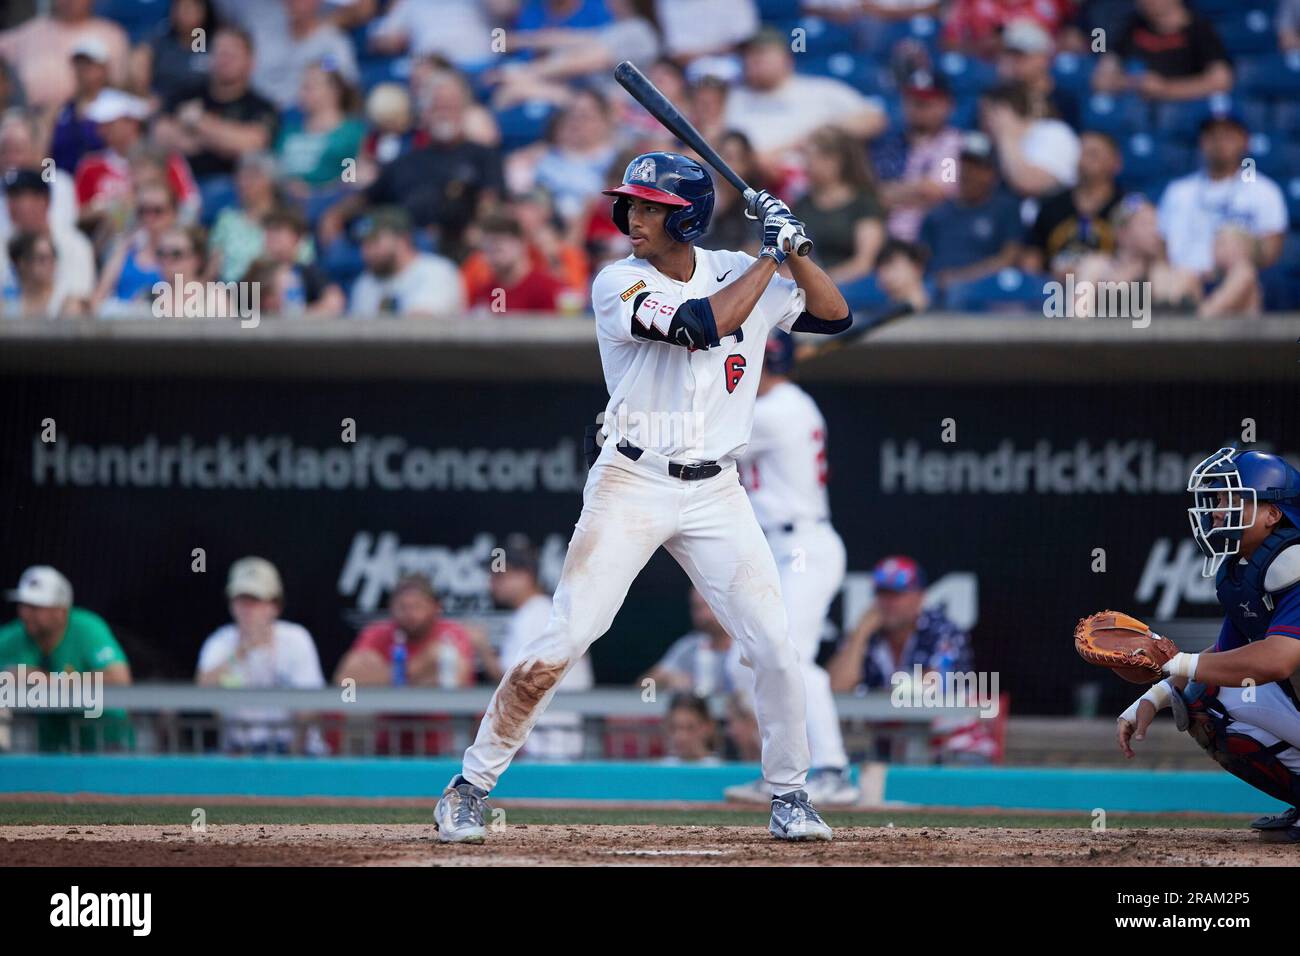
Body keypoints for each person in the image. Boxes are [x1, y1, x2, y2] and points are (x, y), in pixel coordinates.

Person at [433, 150, 852, 844]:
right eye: (630, 203)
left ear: (685, 215)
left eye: (650, 207)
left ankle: (791, 794)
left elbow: (833, 315)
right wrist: (770, 259)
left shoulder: (735, 268)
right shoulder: (617, 280)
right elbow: (699, 325)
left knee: (776, 647)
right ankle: (469, 787)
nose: (632, 215)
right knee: (567, 636)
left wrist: (795, 248)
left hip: (717, 488)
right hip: (632, 479)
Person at [1118, 448, 1300, 842]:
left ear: (1273, 514)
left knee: (1211, 689)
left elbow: (1279, 659)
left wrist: (1175, 662)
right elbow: (1224, 656)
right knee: (1201, 694)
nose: (1217, 511)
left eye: (1233, 500)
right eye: (1218, 500)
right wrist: (1154, 697)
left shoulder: (1294, 564)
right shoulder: (1247, 570)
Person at [725, 331, 860, 806]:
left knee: (794, 658)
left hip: (804, 545)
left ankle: (831, 770)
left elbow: (710, 430)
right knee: (744, 661)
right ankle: (783, 771)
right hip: (774, 548)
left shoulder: (781, 408)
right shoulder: (776, 401)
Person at [195, 557, 326, 753]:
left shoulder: (296, 638)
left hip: (294, 751)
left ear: (274, 606)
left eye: (255, 601)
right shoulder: (221, 641)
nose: (247, 609)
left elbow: (309, 709)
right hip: (239, 753)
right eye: (241, 600)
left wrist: (292, 758)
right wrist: (241, 652)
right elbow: (200, 689)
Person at [0, 566, 132, 752]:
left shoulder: (87, 628)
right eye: (23, 605)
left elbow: (119, 679)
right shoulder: (13, 636)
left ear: (61, 611)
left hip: (105, 744)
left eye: (36, 608)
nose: (25, 614)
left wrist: (48, 681)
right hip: (52, 749)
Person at [485, 535, 593, 760]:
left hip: (545, 737)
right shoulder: (546, 610)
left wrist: (480, 647)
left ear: (524, 576)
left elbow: (511, 679)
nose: (491, 583)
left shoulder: (534, 614)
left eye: (499, 576)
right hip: (560, 733)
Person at [723, 27, 885, 163]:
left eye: (761, 52)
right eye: (747, 55)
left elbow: (874, 119)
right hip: (743, 183)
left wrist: (814, 138)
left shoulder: (818, 90)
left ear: (787, 58)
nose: (753, 59)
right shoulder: (731, 96)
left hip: (805, 181)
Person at [1157, 113, 1288, 277]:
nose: (1219, 142)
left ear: (1245, 141)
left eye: (1228, 136)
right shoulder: (1178, 191)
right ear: (1201, 142)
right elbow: (1160, 248)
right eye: (1211, 136)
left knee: (1242, 275)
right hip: (1180, 281)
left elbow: (1270, 253)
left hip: (1234, 283)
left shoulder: (1264, 191)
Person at [153, 26, 279, 186]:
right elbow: (160, 133)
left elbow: (251, 145)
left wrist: (198, 122)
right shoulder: (187, 94)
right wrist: (221, 141)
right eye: (219, 53)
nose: (224, 60)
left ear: (250, 62)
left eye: (231, 55)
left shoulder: (261, 106)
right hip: (182, 183)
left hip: (235, 188)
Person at [827, 556, 972, 693]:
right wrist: (859, 635)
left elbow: (935, 684)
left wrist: (878, 694)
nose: (888, 603)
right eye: (882, 593)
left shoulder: (942, 630)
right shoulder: (865, 633)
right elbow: (834, 689)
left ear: (919, 597)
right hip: (876, 719)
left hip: (935, 718)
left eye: (896, 594)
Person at [919, 131, 1023, 292]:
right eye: (965, 165)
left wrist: (961, 278)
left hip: (985, 291)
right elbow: (921, 259)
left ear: (992, 173)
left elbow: (1009, 258)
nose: (969, 173)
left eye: (977, 167)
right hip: (936, 289)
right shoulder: (938, 212)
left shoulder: (1006, 208)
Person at [212, 0, 359, 111]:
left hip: (303, 116)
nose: (293, 3)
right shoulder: (264, 33)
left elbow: (341, 82)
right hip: (256, 111)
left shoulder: (332, 43)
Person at [335, 575, 476, 688]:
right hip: (388, 718)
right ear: (391, 607)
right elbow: (345, 680)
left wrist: (383, 677)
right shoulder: (377, 632)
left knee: (446, 656)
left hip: (441, 721)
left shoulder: (451, 632)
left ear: (435, 607)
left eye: (417, 606)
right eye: (403, 606)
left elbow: (458, 681)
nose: (410, 613)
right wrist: (421, 667)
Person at [875, 69, 964, 243]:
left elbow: (937, 191)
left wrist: (887, 193)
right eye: (914, 101)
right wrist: (915, 189)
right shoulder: (889, 143)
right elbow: (867, 195)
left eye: (927, 102)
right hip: (886, 237)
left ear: (947, 104)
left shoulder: (953, 142)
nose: (918, 107)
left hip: (928, 238)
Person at [1022, 131, 1125, 278]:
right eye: (1081, 153)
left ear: (1116, 162)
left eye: (1093, 153)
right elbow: (1032, 258)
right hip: (1055, 290)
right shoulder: (1052, 204)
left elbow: (1138, 258)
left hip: (1112, 293)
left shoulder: (1127, 207)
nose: (1084, 160)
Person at [792, 126, 884, 287]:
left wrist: (819, 282)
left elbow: (863, 263)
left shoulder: (864, 203)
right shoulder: (801, 204)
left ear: (835, 161)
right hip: (807, 286)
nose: (806, 165)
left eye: (813, 158)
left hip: (852, 286)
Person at [0, 0, 130, 113]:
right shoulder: (27, 34)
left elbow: (120, 87)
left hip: (91, 118)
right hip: (30, 119)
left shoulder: (111, 35)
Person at [1092, 0, 1233, 102]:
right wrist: (1134, 83)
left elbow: (1221, 80)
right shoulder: (1132, 25)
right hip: (1136, 110)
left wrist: (1166, 88)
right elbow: (1101, 79)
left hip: (1183, 112)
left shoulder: (1199, 28)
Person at [0, 169, 96, 311]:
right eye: (10, 197)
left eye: (19, 196)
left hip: (62, 328)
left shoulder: (75, 245)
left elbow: (80, 298)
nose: (11, 205)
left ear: (43, 201)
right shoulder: (3, 243)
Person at [348, 207, 465, 318]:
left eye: (374, 241)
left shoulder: (436, 271)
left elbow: (422, 326)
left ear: (403, 239)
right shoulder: (364, 283)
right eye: (363, 244)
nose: (367, 251)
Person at [981, 80, 1080, 198]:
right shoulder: (992, 144)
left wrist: (1007, 133)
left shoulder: (1054, 133)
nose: (983, 122)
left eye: (986, 115)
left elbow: (1030, 183)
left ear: (1004, 111)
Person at [642, 587, 740, 697]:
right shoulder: (689, 647)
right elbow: (644, 687)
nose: (703, 615)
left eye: (708, 606)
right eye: (697, 608)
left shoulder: (746, 648)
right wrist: (667, 679)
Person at [466, 213, 567, 313]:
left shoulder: (549, 290)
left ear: (522, 243)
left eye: (499, 246)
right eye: (488, 247)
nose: (493, 253)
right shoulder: (485, 295)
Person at [132, 0, 217, 106]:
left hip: (203, 107)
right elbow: (139, 68)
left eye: (191, 8)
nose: (185, 13)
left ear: (204, 11)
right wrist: (146, 95)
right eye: (181, 7)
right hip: (161, 105)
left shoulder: (214, 41)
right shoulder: (161, 38)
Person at [48, 38, 112, 176]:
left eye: (89, 64)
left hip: (100, 183)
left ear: (104, 69)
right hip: (63, 181)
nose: (82, 70)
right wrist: (48, 180)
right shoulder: (61, 110)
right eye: (78, 64)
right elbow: (49, 153)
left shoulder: (117, 107)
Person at [5, 232, 85, 318]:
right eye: (41, 259)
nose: (49, 264)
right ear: (23, 264)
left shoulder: (66, 302)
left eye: (52, 258)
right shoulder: (9, 302)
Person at [662, 693, 720, 763]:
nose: (681, 736)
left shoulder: (722, 770)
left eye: (690, 728)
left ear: (708, 727)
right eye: (674, 728)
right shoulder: (661, 769)